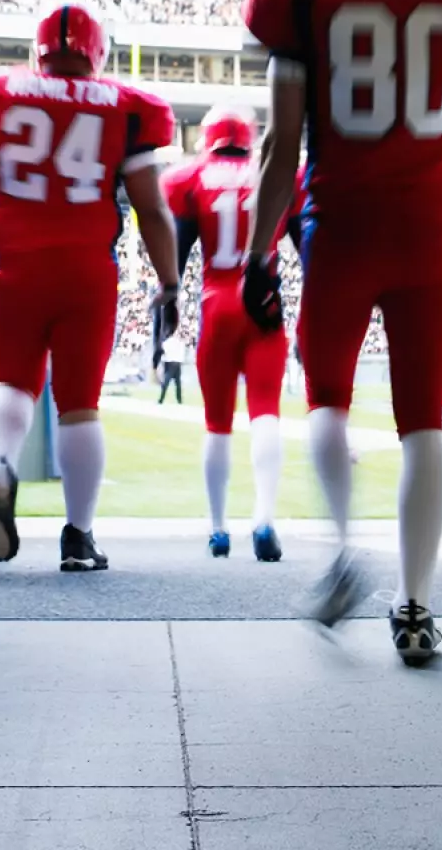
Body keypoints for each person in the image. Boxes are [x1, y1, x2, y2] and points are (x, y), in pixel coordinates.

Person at [238, 0, 442, 665]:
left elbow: (282, 149)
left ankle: (341, 548)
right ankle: (417, 607)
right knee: (423, 422)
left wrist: (259, 253)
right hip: (428, 238)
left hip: (342, 231)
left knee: (326, 401)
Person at [0, 2, 180, 573]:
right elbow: (151, 209)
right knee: (80, 405)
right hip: (87, 269)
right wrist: (170, 282)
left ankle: (1, 465)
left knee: (11, 382)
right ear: (98, 53)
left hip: (15, 265)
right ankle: (78, 537)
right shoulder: (127, 108)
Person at [162, 108, 300, 562]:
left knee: (217, 425)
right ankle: (264, 518)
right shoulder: (278, 175)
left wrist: (169, 305)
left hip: (215, 302)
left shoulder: (191, 178)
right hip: (263, 303)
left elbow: (177, 258)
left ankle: (218, 529)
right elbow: (304, 242)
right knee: (266, 414)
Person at [157, 332, 185, 405]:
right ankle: (179, 400)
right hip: (177, 363)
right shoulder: (180, 342)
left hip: (170, 363)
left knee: (166, 382)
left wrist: (163, 361)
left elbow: (164, 352)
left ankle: (161, 399)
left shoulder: (167, 342)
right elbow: (182, 353)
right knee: (178, 383)